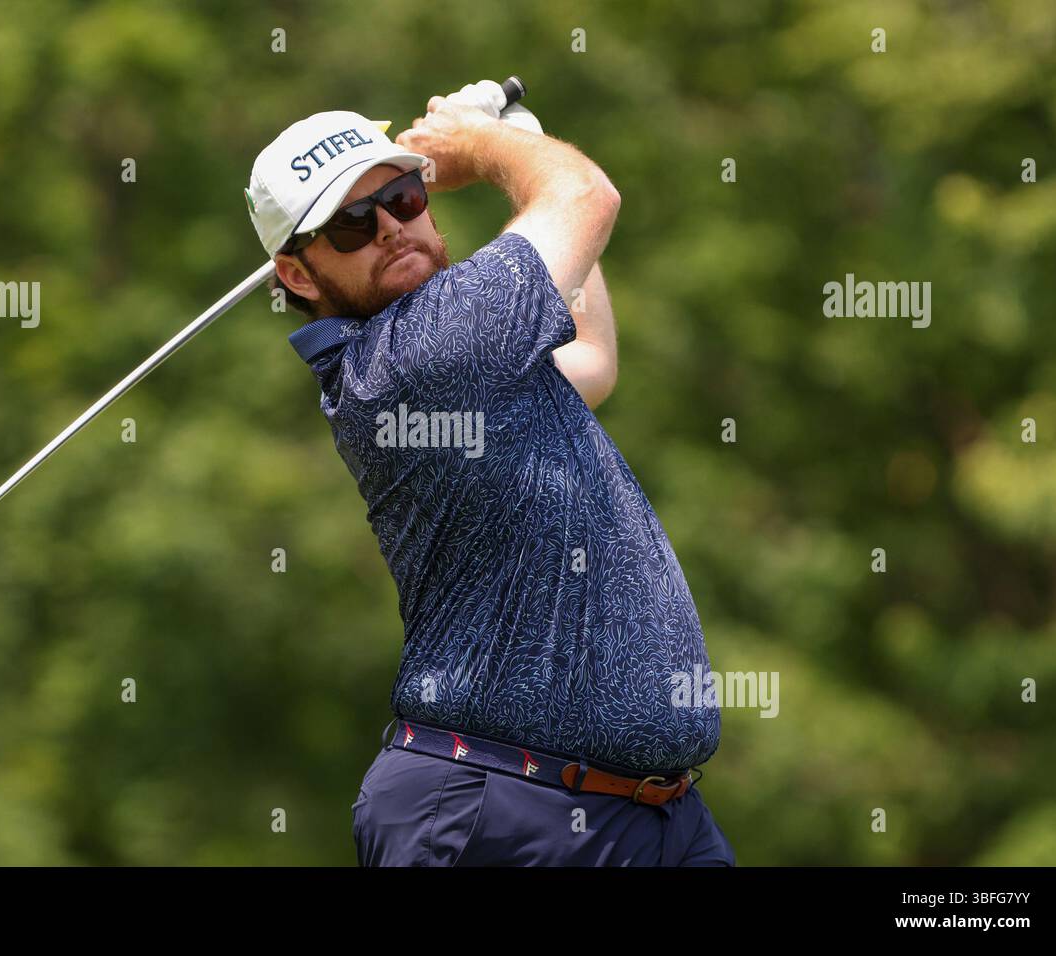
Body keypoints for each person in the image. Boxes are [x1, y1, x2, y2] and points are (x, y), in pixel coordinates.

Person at [244, 86, 735, 866]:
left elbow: (592, 359)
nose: (390, 228)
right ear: (298, 277)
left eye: (402, 197)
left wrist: (520, 131)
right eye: (350, 223)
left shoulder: (470, 352)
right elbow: (584, 193)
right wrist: (478, 145)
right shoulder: (423, 356)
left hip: (650, 817)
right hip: (500, 815)